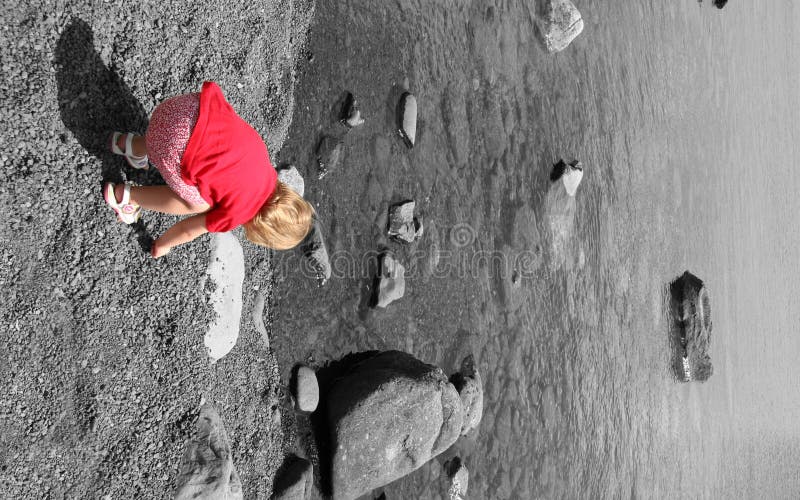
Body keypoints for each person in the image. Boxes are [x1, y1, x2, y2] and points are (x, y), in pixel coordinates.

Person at [103, 81, 313, 258]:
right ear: (263, 232)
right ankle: (129, 197)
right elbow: (187, 230)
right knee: (199, 204)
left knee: (200, 146)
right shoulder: (236, 215)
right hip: (169, 144)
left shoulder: (264, 159)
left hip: (184, 108)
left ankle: (128, 145)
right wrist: (163, 244)